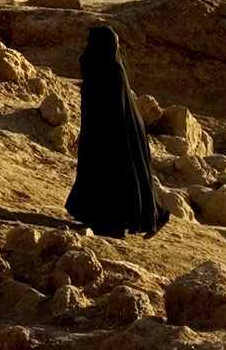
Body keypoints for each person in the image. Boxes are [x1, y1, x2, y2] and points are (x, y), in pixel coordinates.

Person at [65, 24, 169, 238]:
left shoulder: (110, 72)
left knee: (118, 174)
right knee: (107, 174)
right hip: (104, 134)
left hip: (114, 137)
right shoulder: (105, 67)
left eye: (91, 43)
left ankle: (124, 220)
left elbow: (108, 107)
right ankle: (104, 220)